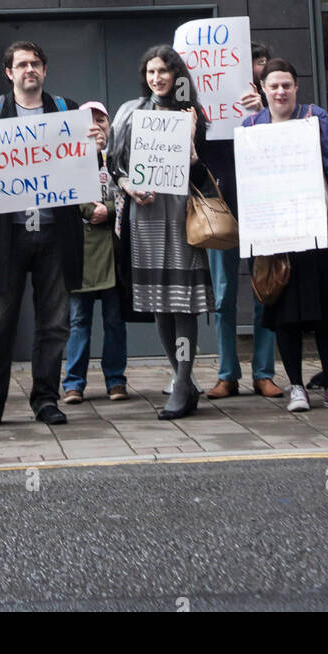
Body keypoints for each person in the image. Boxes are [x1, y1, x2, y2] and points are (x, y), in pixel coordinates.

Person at [0, 41, 86, 429]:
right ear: (9, 73)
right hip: (6, 237)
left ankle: (46, 399)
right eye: (22, 64)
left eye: (35, 63)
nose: (29, 69)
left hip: (55, 234)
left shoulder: (66, 110)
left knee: (54, 323)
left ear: (44, 71)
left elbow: (81, 170)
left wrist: (93, 149)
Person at [243, 60, 328, 412]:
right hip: (275, 234)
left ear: (296, 87)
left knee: (326, 312)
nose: (281, 92)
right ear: (263, 89)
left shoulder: (315, 117)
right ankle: (296, 387)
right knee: (285, 314)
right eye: (274, 86)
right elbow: (246, 180)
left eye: (287, 85)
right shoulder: (250, 126)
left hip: (316, 227)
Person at [109, 46, 214, 420]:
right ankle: (180, 378)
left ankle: (184, 381)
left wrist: (193, 153)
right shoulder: (130, 112)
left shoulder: (193, 114)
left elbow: (204, 175)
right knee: (159, 302)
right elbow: (113, 165)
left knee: (182, 302)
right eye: (151, 71)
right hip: (146, 214)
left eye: (164, 71)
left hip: (183, 214)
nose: (157, 78)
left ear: (177, 75)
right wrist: (127, 186)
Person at [206, 40, 282, 401]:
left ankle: (264, 372)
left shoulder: (274, 103)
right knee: (223, 296)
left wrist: (263, 110)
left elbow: (287, 144)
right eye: (249, 63)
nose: (256, 69)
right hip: (222, 207)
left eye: (261, 62)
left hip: (263, 204)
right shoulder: (210, 102)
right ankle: (227, 373)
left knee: (265, 288)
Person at [62, 102, 128, 404]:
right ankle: (73, 382)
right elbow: (65, 194)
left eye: (101, 120)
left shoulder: (120, 156)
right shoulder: (71, 159)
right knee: (78, 321)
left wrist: (110, 209)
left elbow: (133, 190)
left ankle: (116, 380)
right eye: (90, 121)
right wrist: (90, 210)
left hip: (114, 252)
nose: (97, 126)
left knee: (115, 320)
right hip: (82, 251)